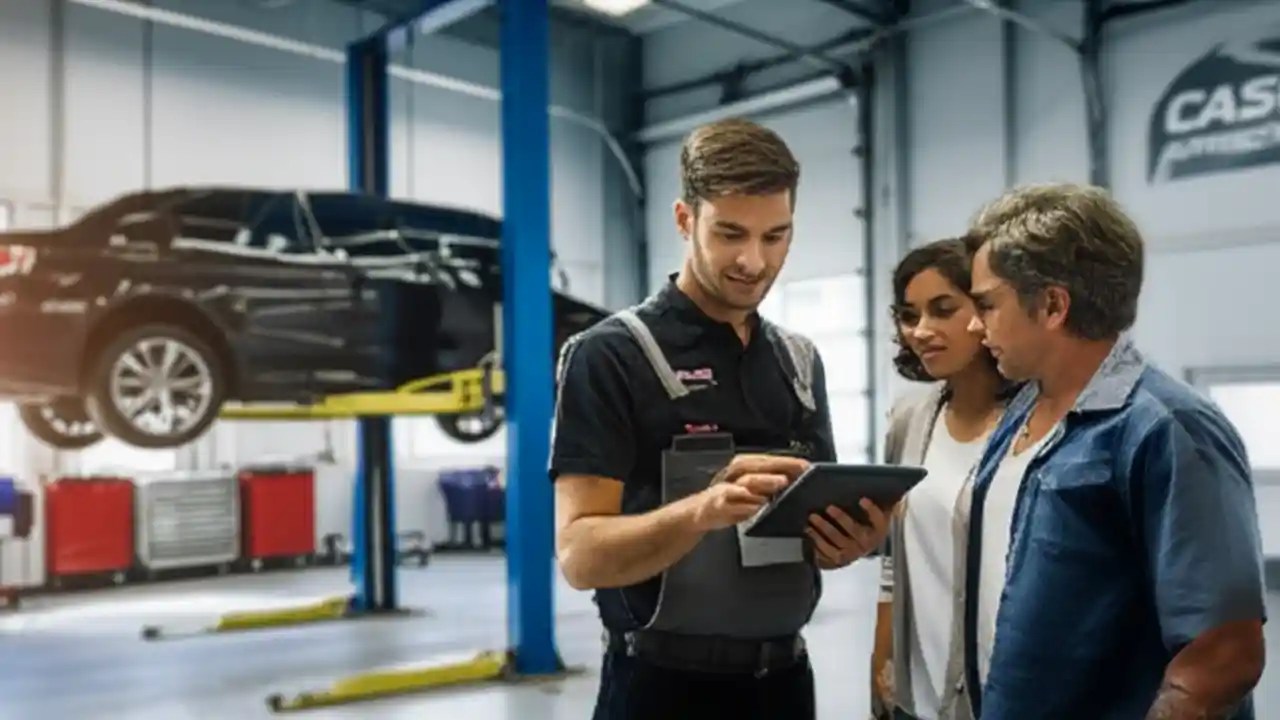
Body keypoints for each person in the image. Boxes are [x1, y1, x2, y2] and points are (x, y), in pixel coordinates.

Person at [549, 118, 891, 720]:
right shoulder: (610, 356)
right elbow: (580, 554)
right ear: (685, 219)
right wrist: (701, 510)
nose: (753, 261)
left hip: (785, 685)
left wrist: (850, 543)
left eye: (776, 236)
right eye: (730, 233)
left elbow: (817, 533)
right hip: (661, 689)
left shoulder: (799, 362)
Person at [960, 182, 1267, 719]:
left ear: (1053, 305)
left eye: (987, 303)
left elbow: (1224, 653)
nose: (971, 322)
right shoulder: (1019, 416)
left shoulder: (1167, 430)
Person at [870, 235, 1012, 720]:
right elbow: (893, 558)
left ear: (986, 311)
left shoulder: (1035, 423)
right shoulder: (909, 421)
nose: (921, 330)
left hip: (1004, 691)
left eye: (942, 309)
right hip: (919, 694)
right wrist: (882, 653)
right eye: (910, 316)